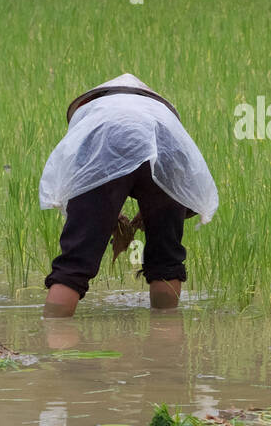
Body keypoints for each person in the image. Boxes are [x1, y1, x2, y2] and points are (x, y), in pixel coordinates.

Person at [39, 74, 218, 318]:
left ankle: (55, 339)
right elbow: (183, 189)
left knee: (74, 265)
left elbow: (82, 188)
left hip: (106, 143)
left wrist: (105, 216)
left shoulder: (95, 120)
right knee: (167, 261)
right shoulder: (162, 119)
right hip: (163, 143)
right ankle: (166, 337)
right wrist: (155, 211)